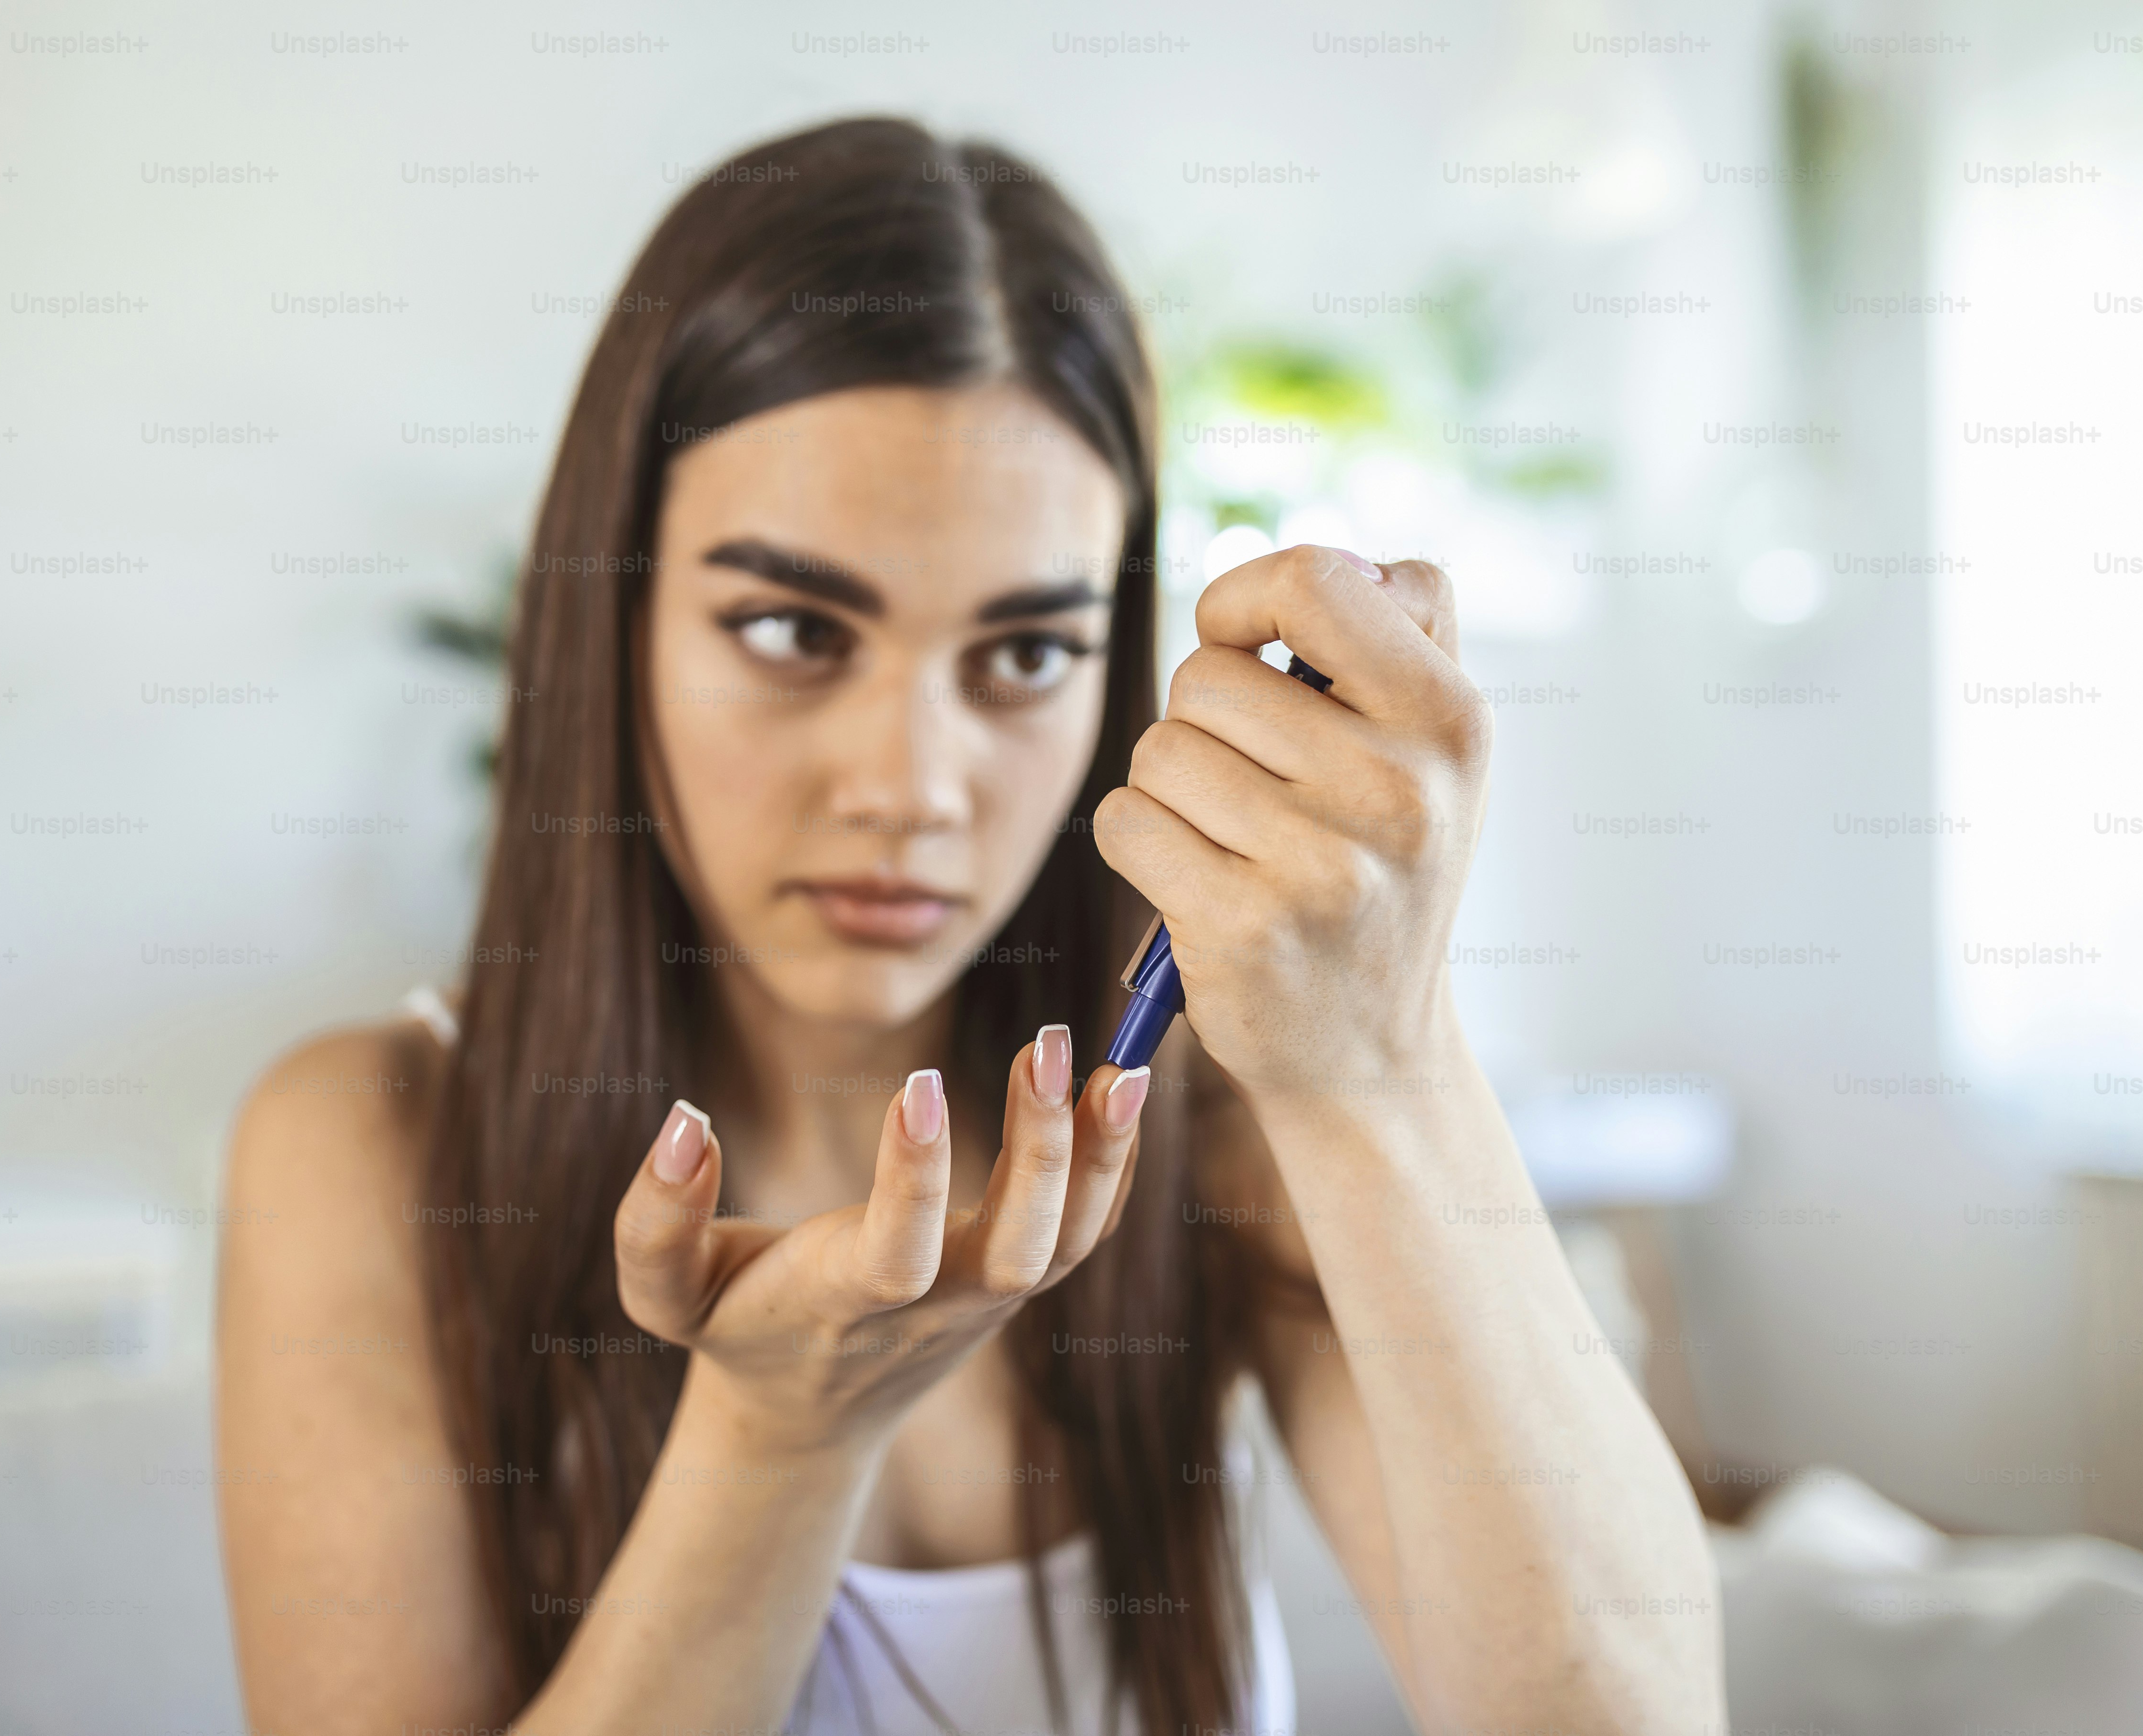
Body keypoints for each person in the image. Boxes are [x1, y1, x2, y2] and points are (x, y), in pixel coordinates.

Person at [215, 115, 1723, 1736]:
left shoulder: (1206, 1135)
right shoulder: (371, 1148)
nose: (914, 786)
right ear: (615, 613)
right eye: (795, 628)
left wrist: (1385, 1058)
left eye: (1022, 657)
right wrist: (776, 1444)